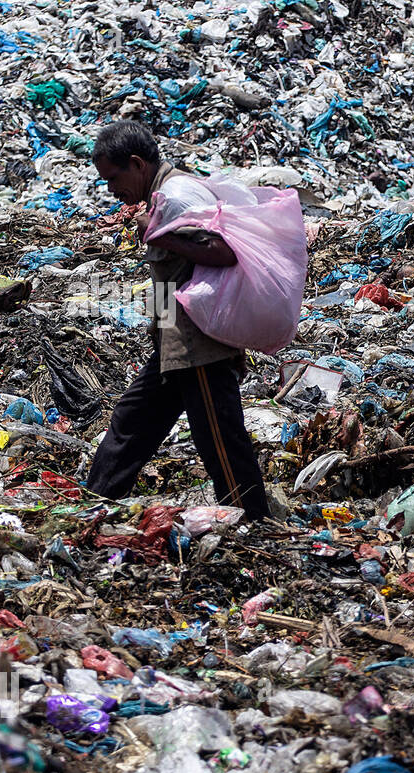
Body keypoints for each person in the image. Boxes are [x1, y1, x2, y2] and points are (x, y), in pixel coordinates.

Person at [86, 120, 269, 519]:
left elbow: (224, 253)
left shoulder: (178, 195)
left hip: (197, 343)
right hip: (173, 339)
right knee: (131, 422)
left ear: (136, 163)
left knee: (219, 438)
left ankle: (253, 521)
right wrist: (158, 335)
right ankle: (93, 506)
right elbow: (173, 276)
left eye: (113, 178)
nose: (111, 190)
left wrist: (158, 234)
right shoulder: (161, 195)